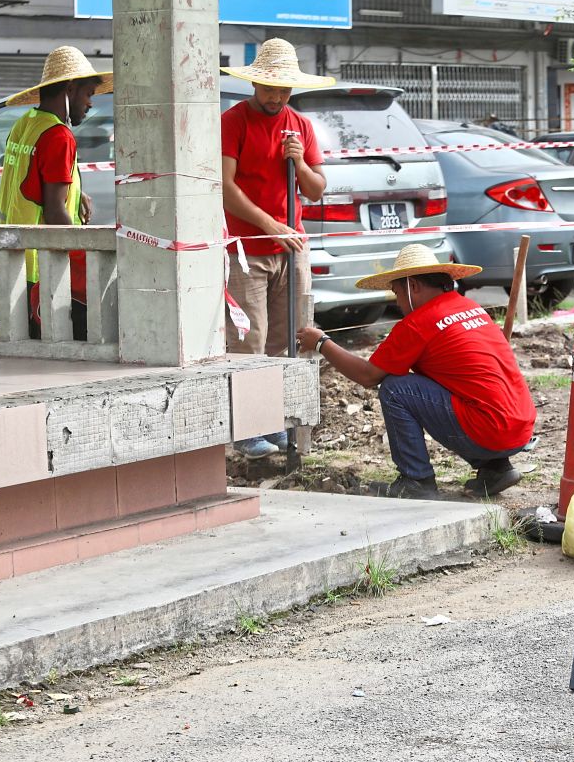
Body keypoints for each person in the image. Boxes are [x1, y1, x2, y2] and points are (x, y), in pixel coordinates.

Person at [297, 245, 536, 499]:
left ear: (412, 286)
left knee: (395, 389)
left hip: (491, 430)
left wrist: (322, 343)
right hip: (520, 427)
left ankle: (416, 481)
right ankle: (496, 468)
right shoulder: (470, 307)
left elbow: (368, 376)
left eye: (397, 293)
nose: (398, 302)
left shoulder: (418, 323)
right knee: (456, 388)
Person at [220, 39, 334, 459]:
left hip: (292, 248)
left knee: (290, 337)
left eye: (284, 89)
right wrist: (269, 224)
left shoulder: (300, 126)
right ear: (254, 83)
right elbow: (225, 188)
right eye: (269, 88)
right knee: (249, 338)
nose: (276, 97)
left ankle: (280, 420)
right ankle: (249, 428)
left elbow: (316, 190)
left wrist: (299, 162)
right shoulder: (233, 122)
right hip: (247, 248)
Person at [0, 46, 111, 340]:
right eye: (88, 94)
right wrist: (80, 254)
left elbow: (31, 179)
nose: (89, 104)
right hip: (39, 264)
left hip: (10, 253)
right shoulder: (59, 135)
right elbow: (54, 210)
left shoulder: (26, 123)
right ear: (70, 89)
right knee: (47, 343)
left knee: (17, 342)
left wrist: (76, 193)